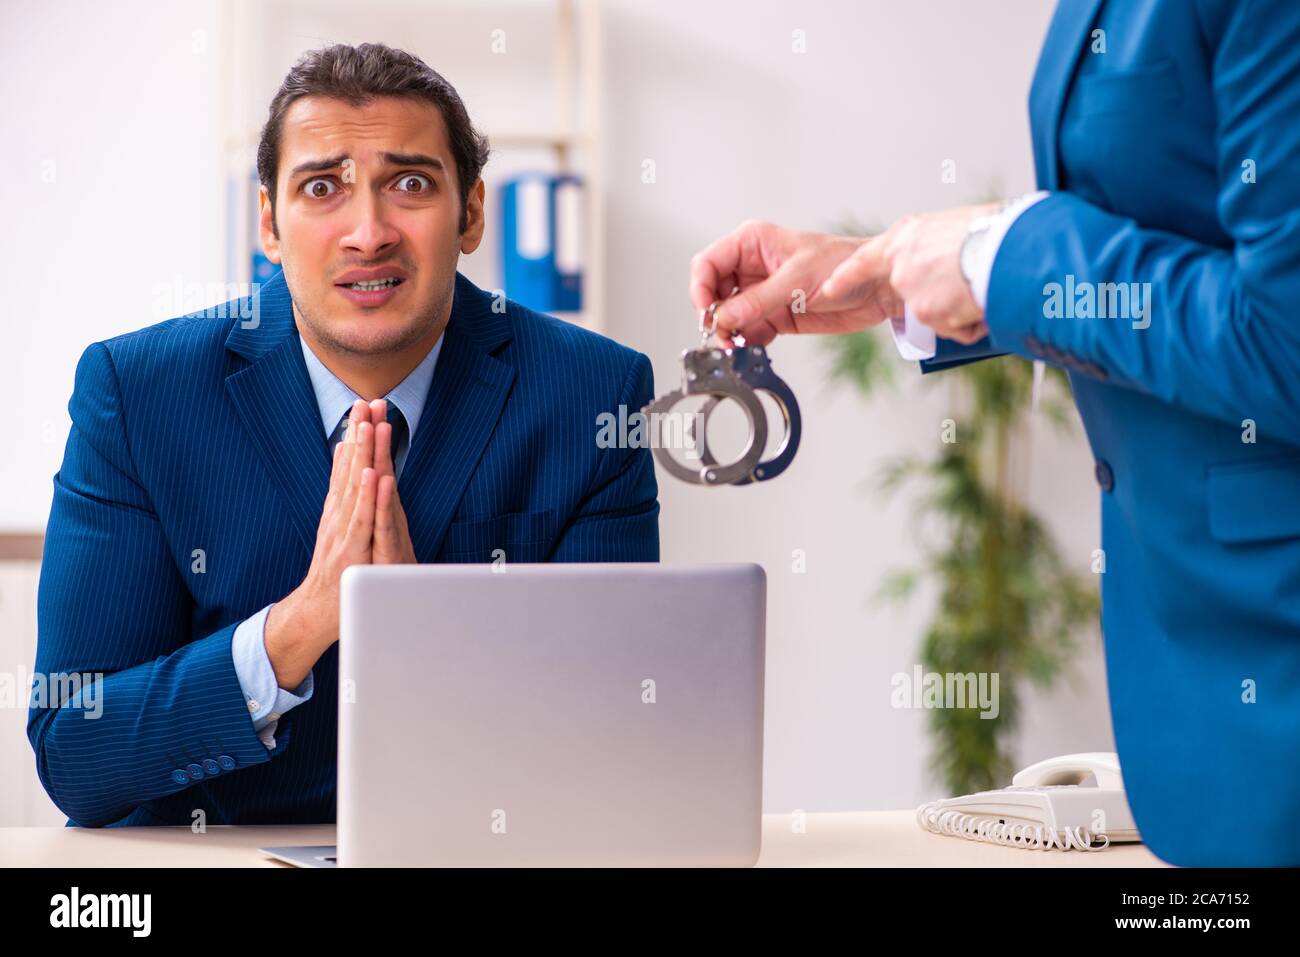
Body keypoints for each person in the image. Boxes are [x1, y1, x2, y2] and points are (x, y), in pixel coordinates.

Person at [690, 0, 1300, 866]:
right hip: (1205, 691)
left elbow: (1283, 328)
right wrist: (890, 276)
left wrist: (996, 256)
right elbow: (1169, 234)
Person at [30, 43, 659, 828]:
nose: (368, 232)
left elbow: (611, 738)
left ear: (470, 214)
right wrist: (302, 623)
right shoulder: (138, 393)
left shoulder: (595, 395)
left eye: (410, 183)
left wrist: (418, 629)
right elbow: (75, 751)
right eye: (322, 186)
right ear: (269, 221)